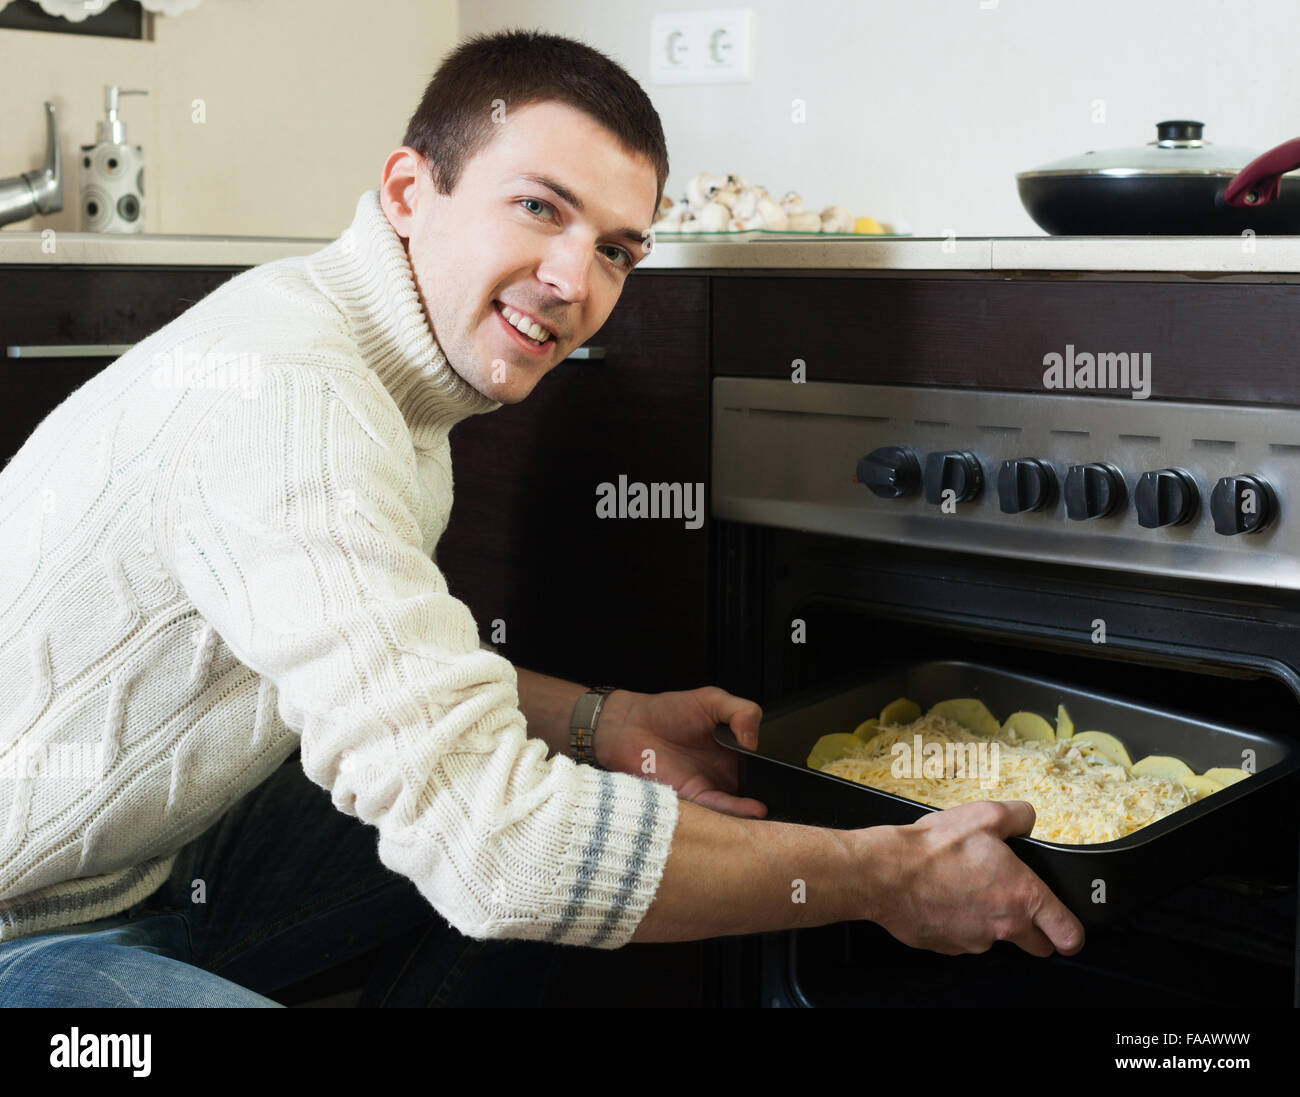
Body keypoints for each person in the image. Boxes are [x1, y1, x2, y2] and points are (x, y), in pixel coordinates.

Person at [0, 28, 1083, 1008]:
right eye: (539, 207)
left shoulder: (375, 375)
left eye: (617, 248)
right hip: (22, 926)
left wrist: (598, 722)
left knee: (584, 837)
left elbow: (382, 667)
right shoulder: (294, 399)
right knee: (520, 845)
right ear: (409, 191)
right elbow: (499, 846)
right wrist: (884, 877)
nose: (574, 278)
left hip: (161, 857)